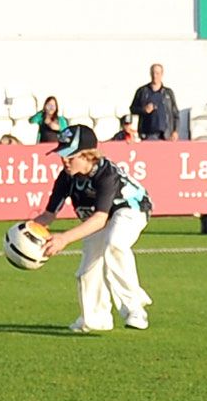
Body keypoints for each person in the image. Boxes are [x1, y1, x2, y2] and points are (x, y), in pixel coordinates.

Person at [34, 125, 152, 333]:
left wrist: (64, 239)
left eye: (70, 155)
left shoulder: (106, 174)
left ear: (88, 155)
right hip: (98, 217)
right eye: (62, 155)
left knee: (115, 244)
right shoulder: (66, 178)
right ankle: (96, 318)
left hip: (130, 208)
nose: (64, 160)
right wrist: (25, 230)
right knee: (87, 270)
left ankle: (134, 309)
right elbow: (49, 214)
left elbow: (100, 219)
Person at [129, 63, 179, 141]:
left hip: (166, 135)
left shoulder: (168, 93)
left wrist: (175, 131)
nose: (155, 76)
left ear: (162, 74)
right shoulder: (142, 91)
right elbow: (132, 109)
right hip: (147, 135)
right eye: (153, 73)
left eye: (157, 73)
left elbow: (175, 114)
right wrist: (144, 110)